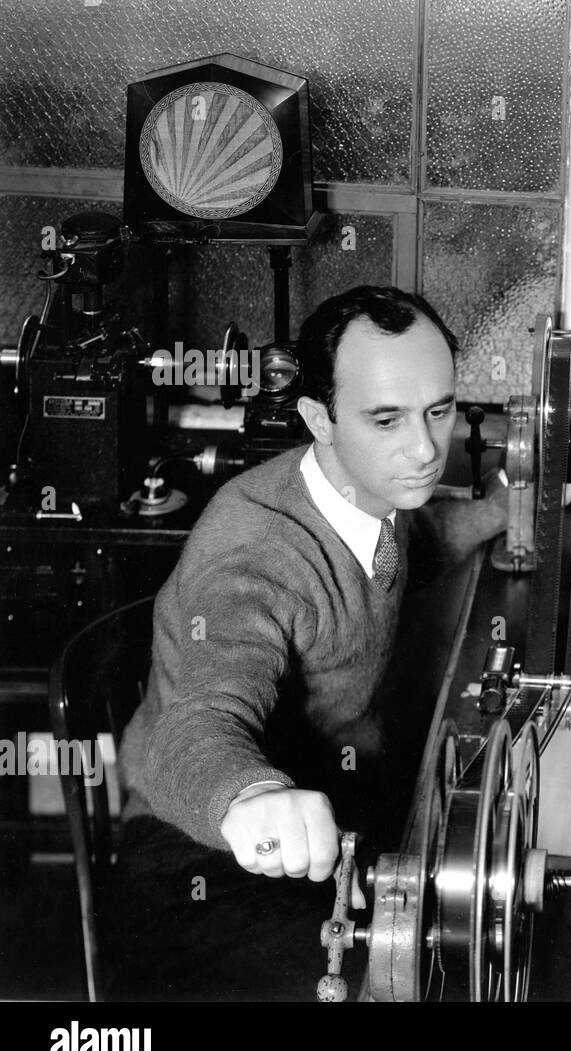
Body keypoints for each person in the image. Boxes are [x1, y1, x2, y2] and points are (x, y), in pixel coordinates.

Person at [105, 285, 507, 1000]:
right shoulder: (255, 555)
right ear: (317, 417)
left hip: (332, 823)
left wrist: (507, 511)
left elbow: (413, 550)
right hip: (204, 858)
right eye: (387, 419)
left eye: (438, 411)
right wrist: (254, 794)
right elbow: (195, 724)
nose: (424, 449)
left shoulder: (367, 490)